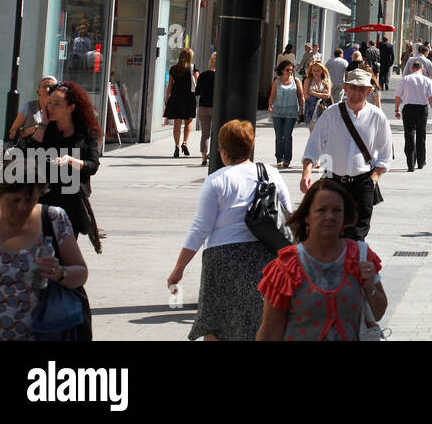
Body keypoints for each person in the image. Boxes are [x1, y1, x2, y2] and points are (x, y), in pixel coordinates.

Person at [168, 121, 291, 341]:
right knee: (259, 322)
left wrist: (179, 269)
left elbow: (200, 229)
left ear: (222, 150)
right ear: (250, 146)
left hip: (222, 260)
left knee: (215, 326)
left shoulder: (216, 181)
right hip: (264, 258)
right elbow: (288, 215)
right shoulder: (271, 173)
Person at [256, 179, 387, 341]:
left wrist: (370, 288)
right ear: (306, 217)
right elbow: (270, 331)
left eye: (337, 210)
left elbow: (379, 313)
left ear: (345, 217)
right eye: (321, 210)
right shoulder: (286, 267)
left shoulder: (360, 256)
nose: (330, 216)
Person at [0, 153, 89, 341]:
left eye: (30, 199)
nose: (22, 207)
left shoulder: (53, 219)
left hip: (44, 336)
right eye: (14, 200)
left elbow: (81, 273)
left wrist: (60, 272)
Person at [299, 67, 393, 240]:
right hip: (333, 182)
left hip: (362, 183)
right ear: (345, 88)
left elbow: (385, 157)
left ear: (369, 91)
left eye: (361, 89)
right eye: (352, 87)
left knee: (357, 236)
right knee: (328, 233)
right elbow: (313, 147)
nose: (356, 92)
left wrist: (373, 179)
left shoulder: (377, 117)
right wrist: (306, 172)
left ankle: (353, 265)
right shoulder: (331, 113)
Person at [26, 81, 102, 251]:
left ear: (71, 108)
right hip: (44, 198)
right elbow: (30, 152)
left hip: (71, 202)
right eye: (50, 103)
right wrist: (43, 124)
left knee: (64, 253)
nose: (51, 107)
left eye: (57, 104)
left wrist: (71, 161)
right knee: (42, 250)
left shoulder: (85, 132)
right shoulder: (46, 129)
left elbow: (93, 166)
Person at [394, 58, 432, 172]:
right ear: (422, 70)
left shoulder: (405, 79)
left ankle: (410, 163)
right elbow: (431, 98)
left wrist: (396, 109)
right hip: (422, 109)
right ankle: (421, 161)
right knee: (421, 135)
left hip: (408, 108)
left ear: (413, 69)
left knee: (409, 135)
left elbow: (398, 95)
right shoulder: (427, 80)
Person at [267, 58, 301, 169]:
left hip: (291, 112)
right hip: (278, 112)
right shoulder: (276, 81)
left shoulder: (296, 81)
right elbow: (272, 95)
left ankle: (287, 159)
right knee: (278, 135)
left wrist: (301, 108)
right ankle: (279, 158)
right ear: (282, 70)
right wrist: (270, 106)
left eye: (291, 69)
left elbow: (300, 96)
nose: (290, 71)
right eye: (287, 70)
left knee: (287, 135)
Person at [165, 47, 198, 157]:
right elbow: (197, 82)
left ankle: (177, 146)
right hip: (189, 97)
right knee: (188, 122)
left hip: (176, 97)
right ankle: (185, 143)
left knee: (177, 124)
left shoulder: (174, 68)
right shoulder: (192, 68)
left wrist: (167, 97)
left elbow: (169, 85)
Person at [8, 76, 55, 141]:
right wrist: (30, 130)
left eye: (51, 87)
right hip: (27, 149)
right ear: (38, 90)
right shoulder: (29, 106)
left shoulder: (57, 110)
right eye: (44, 86)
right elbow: (11, 134)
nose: (47, 89)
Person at [194, 53, 217, 164]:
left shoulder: (202, 75)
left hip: (203, 107)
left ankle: (203, 158)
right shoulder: (220, 76)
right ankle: (215, 156)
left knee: (205, 134)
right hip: (216, 108)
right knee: (217, 133)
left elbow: (197, 92)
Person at [301, 61, 331, 133]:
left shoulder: (326, 81)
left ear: (322, 71)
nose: (316, 73)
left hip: (323, 109)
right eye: (314, 70)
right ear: (311, 71)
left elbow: (327, 95)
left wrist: (313, 93)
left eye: (318, 70)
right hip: (311, 109)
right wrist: (321, 94)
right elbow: (306, 96)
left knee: (323, 133)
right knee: (313, 134)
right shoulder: (308, 80)